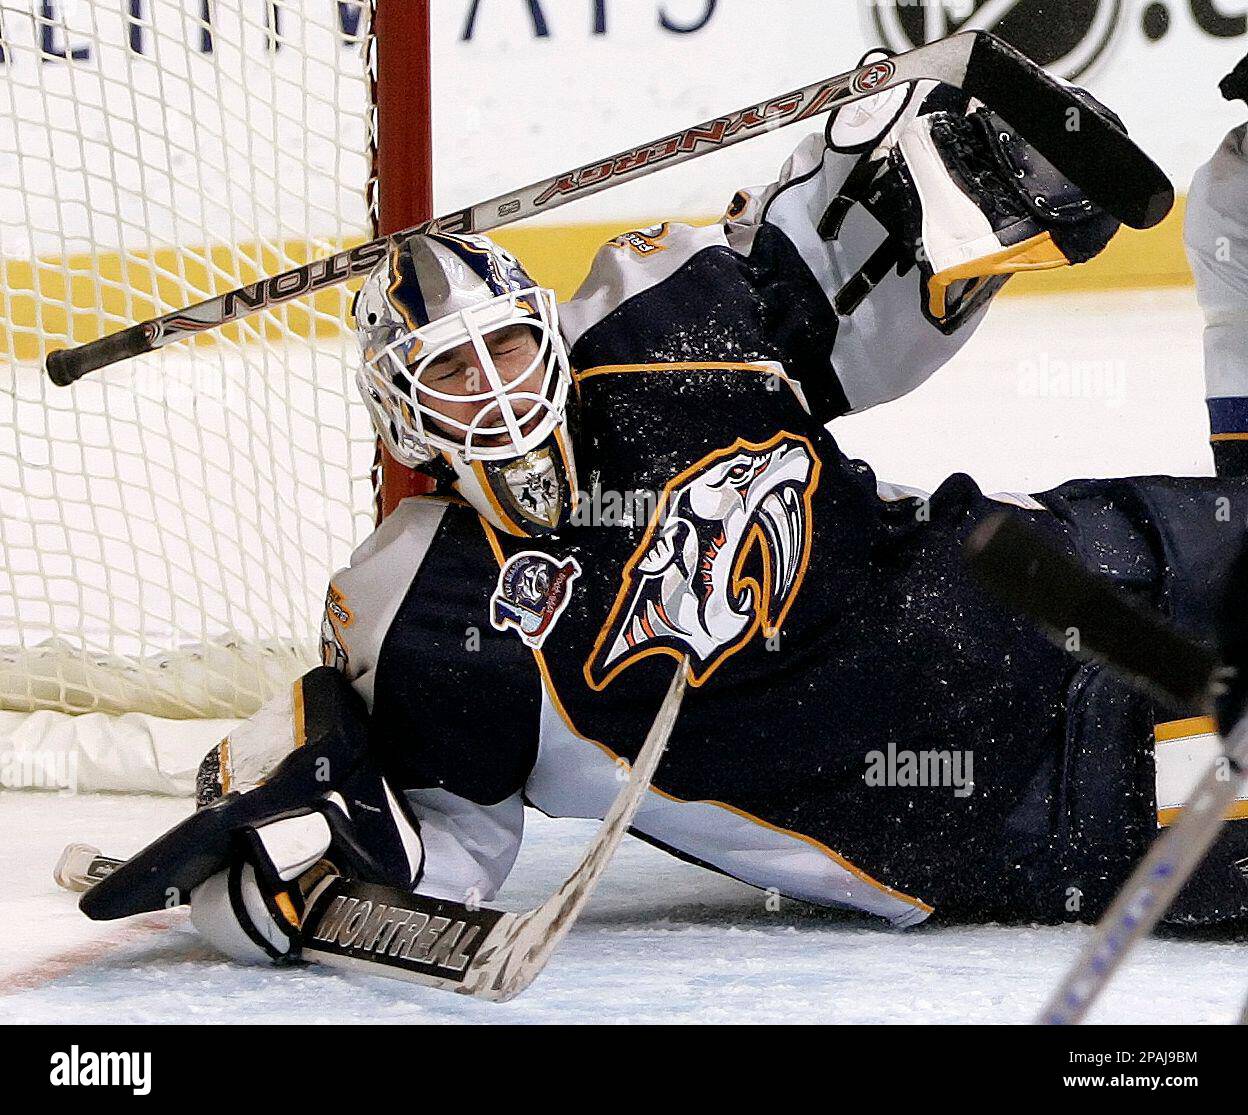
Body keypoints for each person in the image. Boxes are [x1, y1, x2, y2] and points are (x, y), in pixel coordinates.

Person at [145, 61, 1248, 965]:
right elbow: (444, 862)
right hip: (983, 804)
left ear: (547, 325)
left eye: (513, 347)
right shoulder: (430, 619)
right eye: (455, 378)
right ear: (404, 417)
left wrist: (919, 172)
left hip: (1032, 573)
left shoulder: (657, 333)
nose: (501, 391)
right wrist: (286, 869)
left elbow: (837, 280)